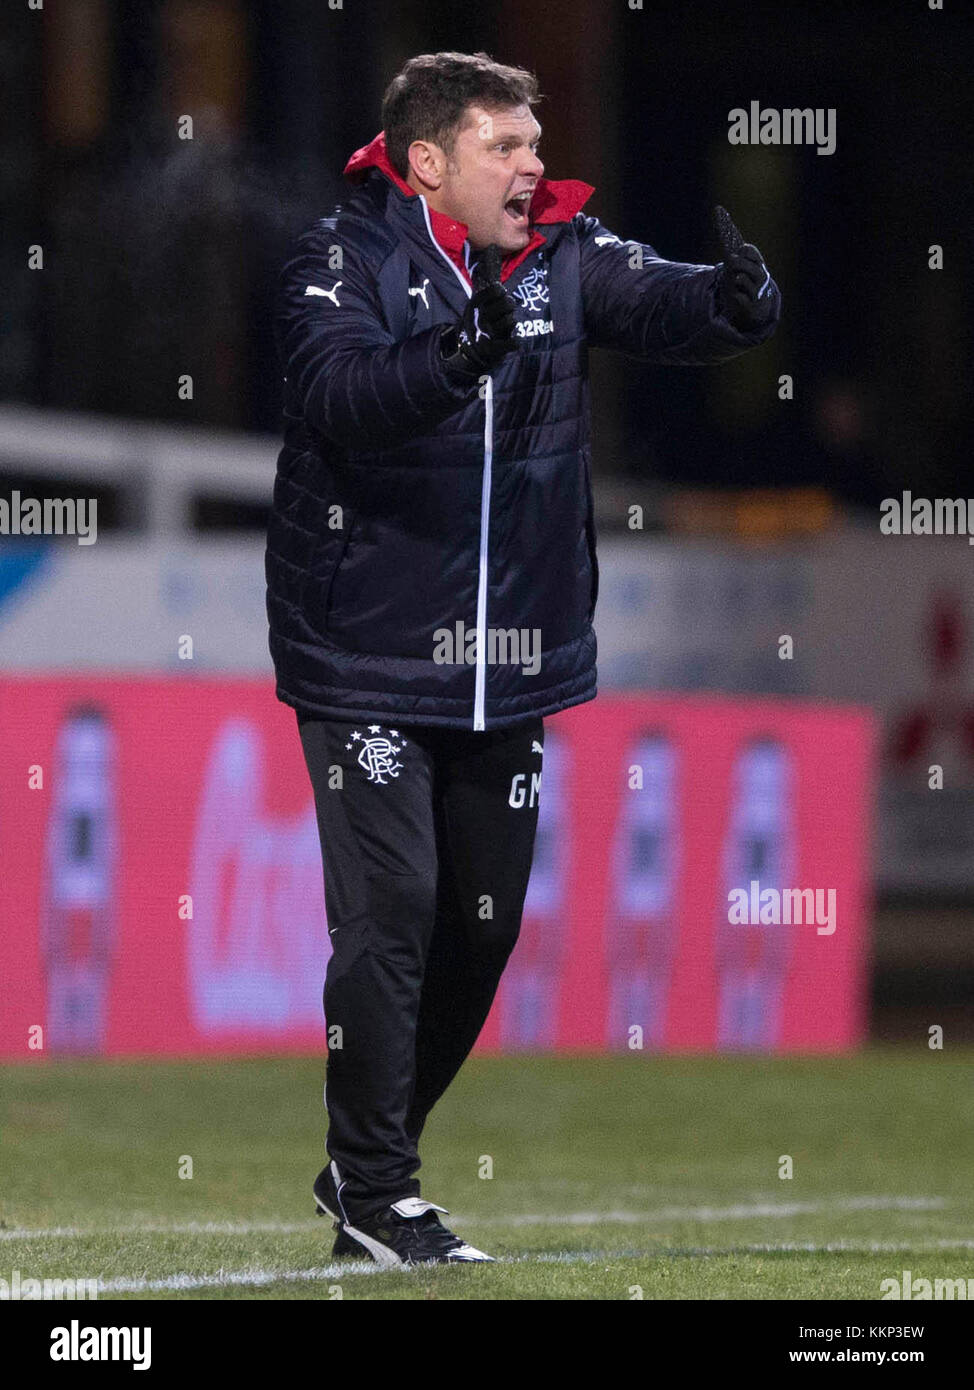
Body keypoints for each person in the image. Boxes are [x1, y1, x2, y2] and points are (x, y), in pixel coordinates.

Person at [264, 50, 781, 1267]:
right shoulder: (339, 259)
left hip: (510, 660)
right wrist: (453, 359)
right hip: (368, 653)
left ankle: (361, 1166)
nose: (534, 166)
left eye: (535, 146)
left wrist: (738, 301)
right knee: (392, 911)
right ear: (428, 161)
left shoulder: (563, 250)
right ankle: (384, 1193)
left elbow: (663, 304)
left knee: (479, 930)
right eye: (507, 147)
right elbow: (337, 394)